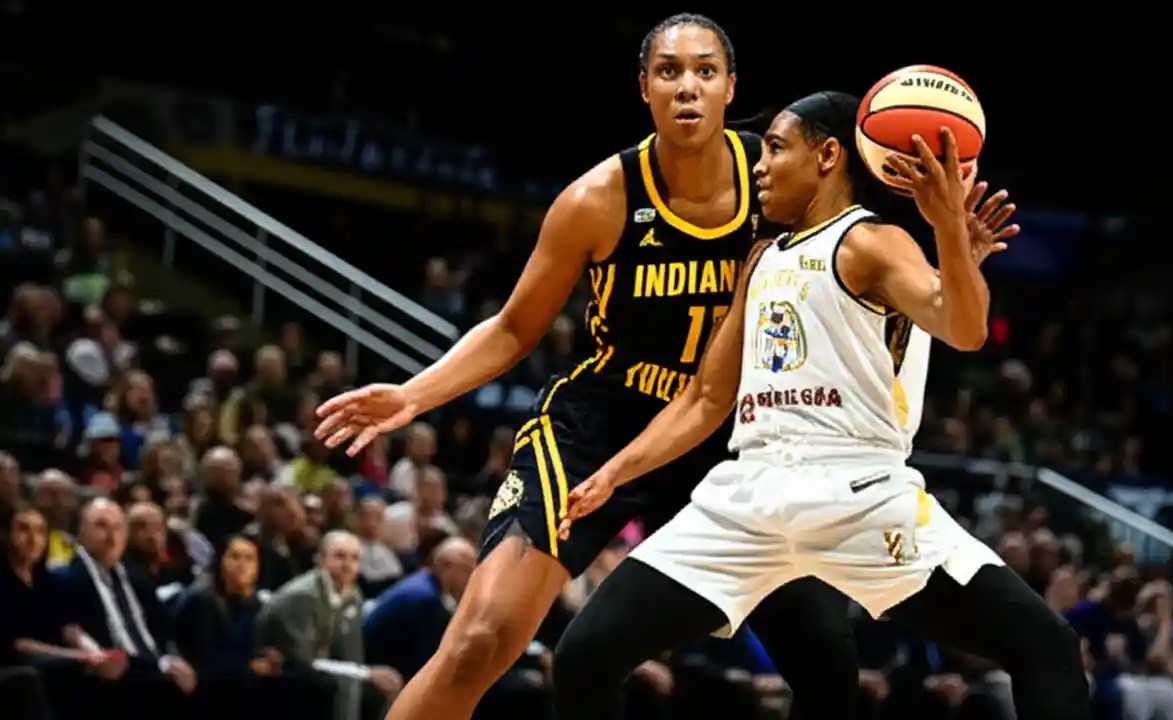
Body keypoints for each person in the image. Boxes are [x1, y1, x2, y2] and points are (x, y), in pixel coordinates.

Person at [315, 15, 868, 720]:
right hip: (602, 425)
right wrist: (412, 396)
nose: (688, 88)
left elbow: (864, 232)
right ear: (644, 89)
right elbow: (516, 327)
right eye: (669, 72)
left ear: (732, 86)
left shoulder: (776, 176)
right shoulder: (597, 199)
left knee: (826, 653)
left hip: (730, 438)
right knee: (479, 640)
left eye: (705, 71)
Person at [550, 91, 1092, 720]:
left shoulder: (874, 242)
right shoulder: (760, 259)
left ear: (828, 155)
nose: (759, 164)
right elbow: (704, 398)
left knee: (1046, 646)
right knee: (583, 657)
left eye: (777, 147)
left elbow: (964, 327)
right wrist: (614, 473)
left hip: (857, 492)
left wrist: (947, 232)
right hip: (747, 496)